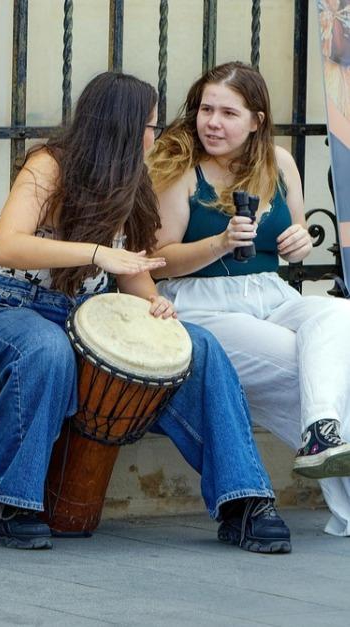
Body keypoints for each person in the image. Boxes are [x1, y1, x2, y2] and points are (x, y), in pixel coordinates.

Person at [0, 71, 291, 554]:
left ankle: (245, 502)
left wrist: (152, 299)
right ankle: (6, 506)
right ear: (123, 124)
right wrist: (95, 254)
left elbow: (132, 264)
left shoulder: (135, 176)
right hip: (12, 310)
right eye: (150, 124)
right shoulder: (49, 164)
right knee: (48, 352)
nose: (155, 134)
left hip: (87, 316)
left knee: (199, 347)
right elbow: (6, 247)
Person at [147, 61, 350, 536]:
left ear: (257, 120)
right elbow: (157, 260)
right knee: (308, 365)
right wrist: (218, 242)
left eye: (228, 113)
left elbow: (295, 232)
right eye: (205, 109)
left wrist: (299, 240)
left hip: (271, 292)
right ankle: (328, 450)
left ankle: (321, 427)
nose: (212, 122)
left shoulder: (280, 163)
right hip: (203, 304)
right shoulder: (181, 169)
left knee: (341, 316)